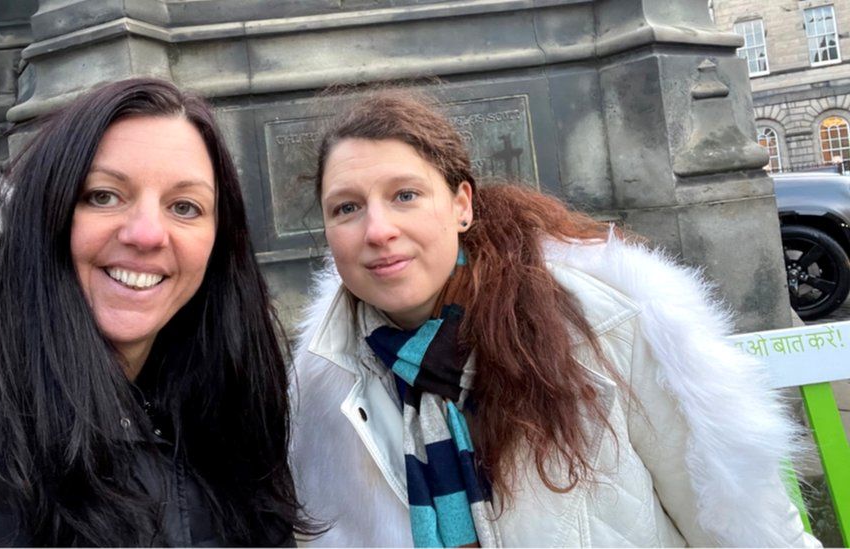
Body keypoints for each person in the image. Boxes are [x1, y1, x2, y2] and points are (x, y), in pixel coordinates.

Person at [289, 90, 820, 547]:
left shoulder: (604, 322)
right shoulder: (319, 383)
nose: (377, 230)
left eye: (405, 195)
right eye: (347, 208)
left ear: (461, 205)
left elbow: (744, 523)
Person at [0, 78, 305, 546]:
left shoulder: (232, 402)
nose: (147, 234)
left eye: (184, 206)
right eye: (103, 195)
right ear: (47, 215)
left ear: (219, 243)